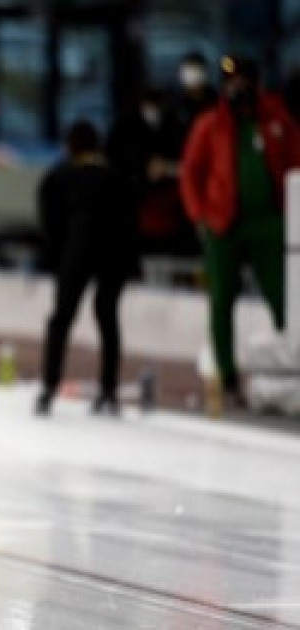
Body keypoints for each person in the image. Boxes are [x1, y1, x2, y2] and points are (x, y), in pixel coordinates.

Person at [180, 56, 300, 409]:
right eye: (230, 82)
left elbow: (295, 164)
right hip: (223, 225)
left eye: (242, 81)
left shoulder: (277, 120)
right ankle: (227, 376)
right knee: (221, 301)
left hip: (269, 223)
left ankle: (290, 371)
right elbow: (190, 172)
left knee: (284, 299)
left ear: (255, 83)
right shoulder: (211, 124)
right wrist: (199, 215)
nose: (236, 88)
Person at [35, 121, 138, 417]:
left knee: (62, 319)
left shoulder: (60, 175)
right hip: (113, 254)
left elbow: (50, 219)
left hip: (77, 252)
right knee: (107, 317)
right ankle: (108, 390)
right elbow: (129, 220)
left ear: (70, 146)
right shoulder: (117, 177)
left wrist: (57, 252)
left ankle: (49, 387)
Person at [106, 87, 197, 260]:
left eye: (157, 107)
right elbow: (116, 156)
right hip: (134, 189)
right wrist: (143, 165)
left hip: (171, 189)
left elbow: (188, 154)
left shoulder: (174, 123)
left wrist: (168, 166)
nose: (153, 112)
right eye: (149, 106)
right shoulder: (125, 125)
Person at [173, 51, 220, 134]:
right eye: (189, 74)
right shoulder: (176, 108)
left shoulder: (217, 105)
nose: (193, 80)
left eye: (197, 73)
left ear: (205, 75)